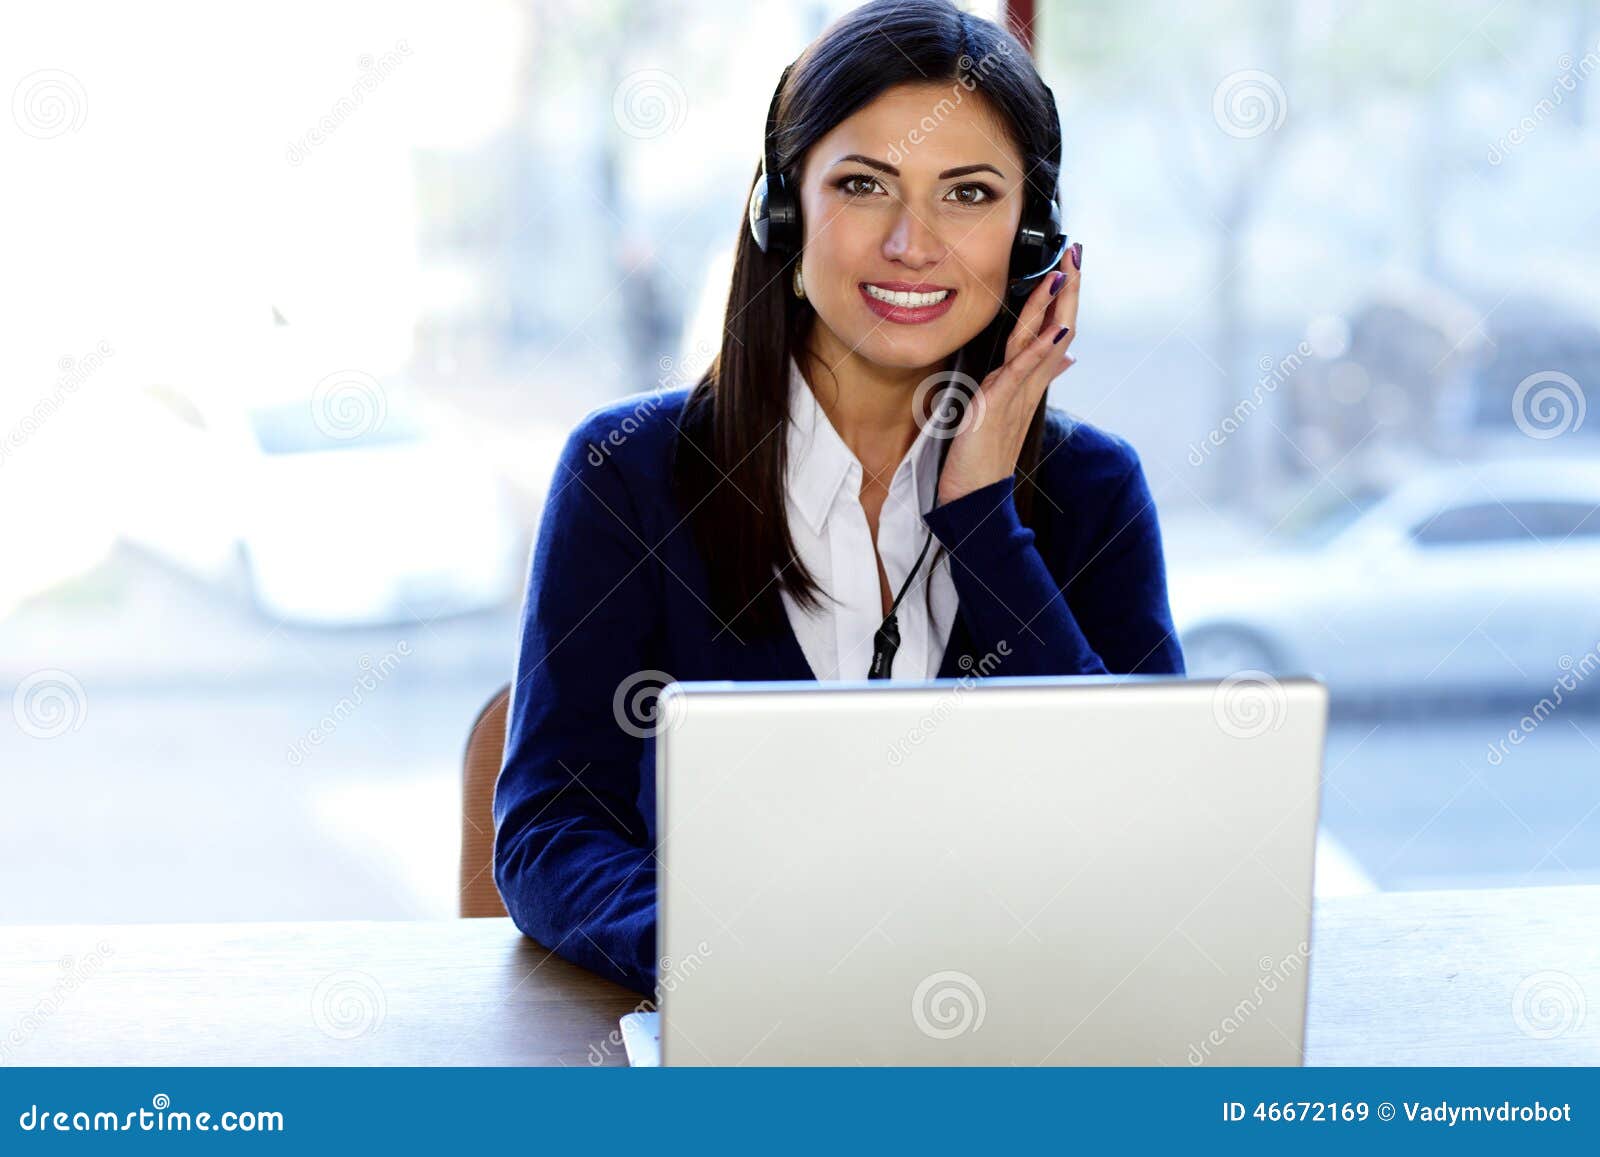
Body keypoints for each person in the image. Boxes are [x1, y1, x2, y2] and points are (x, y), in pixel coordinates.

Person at [494, 0, 1185, 997]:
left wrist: (982, 520)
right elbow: (552, 829)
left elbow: (1148, 833)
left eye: (969, 193)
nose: (912, 242)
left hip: (1023, 1032)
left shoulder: (1093, 489)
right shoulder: (628, 474)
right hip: (745, 1026)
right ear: (781, 210)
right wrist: (734, 956)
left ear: (1031, 235)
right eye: (864, 185)